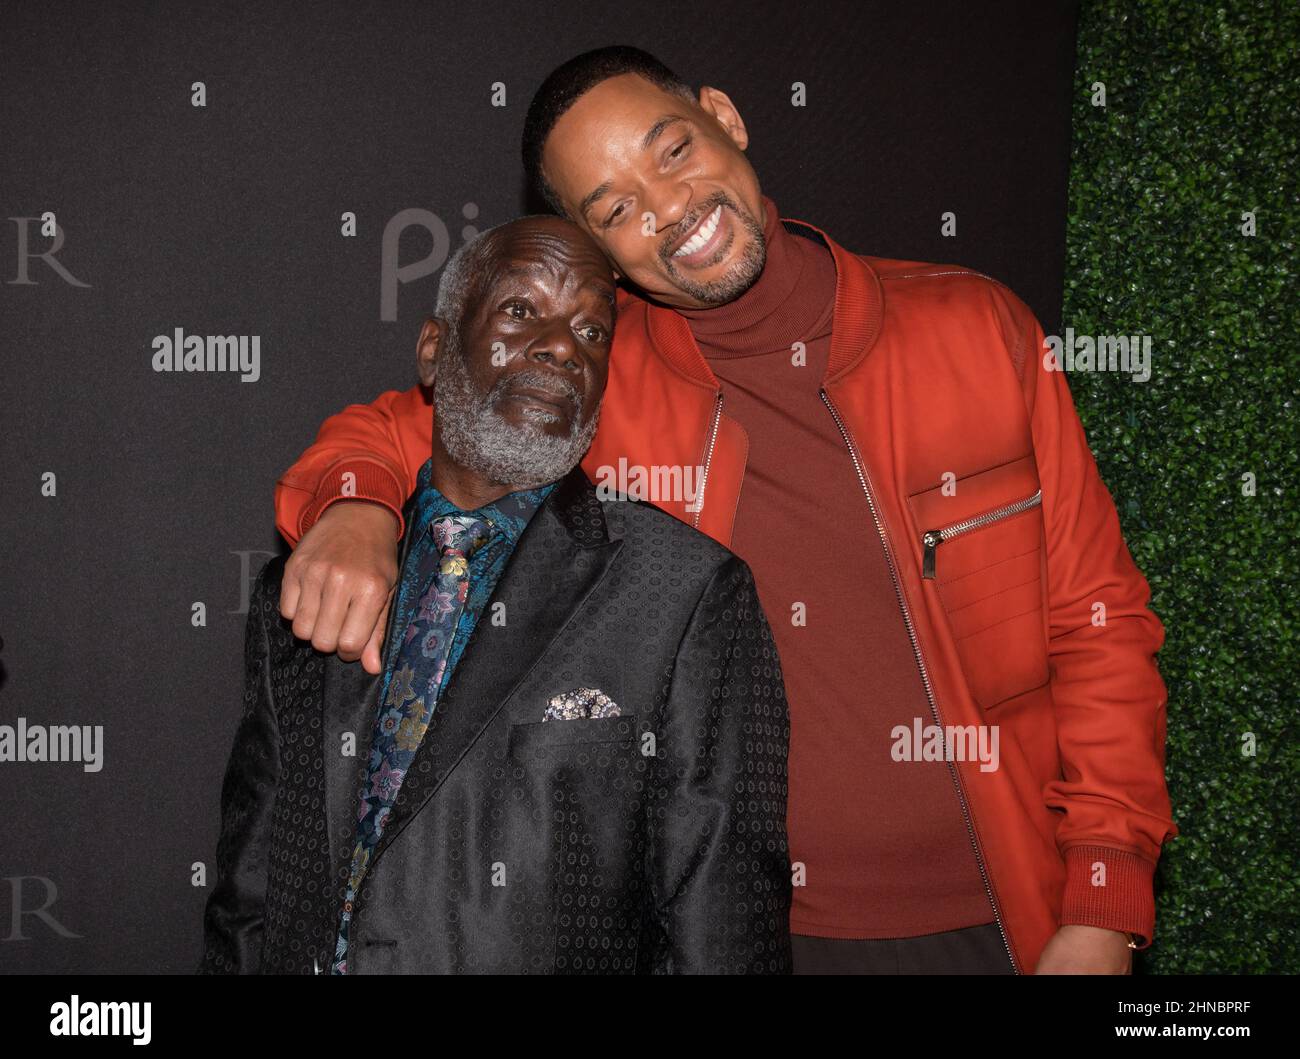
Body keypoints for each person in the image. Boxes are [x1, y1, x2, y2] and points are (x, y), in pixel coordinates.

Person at [270, 47, 1177, 975]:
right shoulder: (596, 384)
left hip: (1012, 922)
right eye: (616, 209)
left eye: (671, 151)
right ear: (601, 253)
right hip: (751, 938)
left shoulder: (977, 330)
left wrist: (1104, 899)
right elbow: (389, 431)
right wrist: (354, 511)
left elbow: (1099, 626)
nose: (667, 208)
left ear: (725, 118)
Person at [198, 214, 792, 974]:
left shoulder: (684, 593)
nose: (561, 345)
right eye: (521, 310)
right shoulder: (308, 585)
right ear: (435, 348)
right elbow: (250, 890)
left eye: (592, 331)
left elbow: (724, 926)